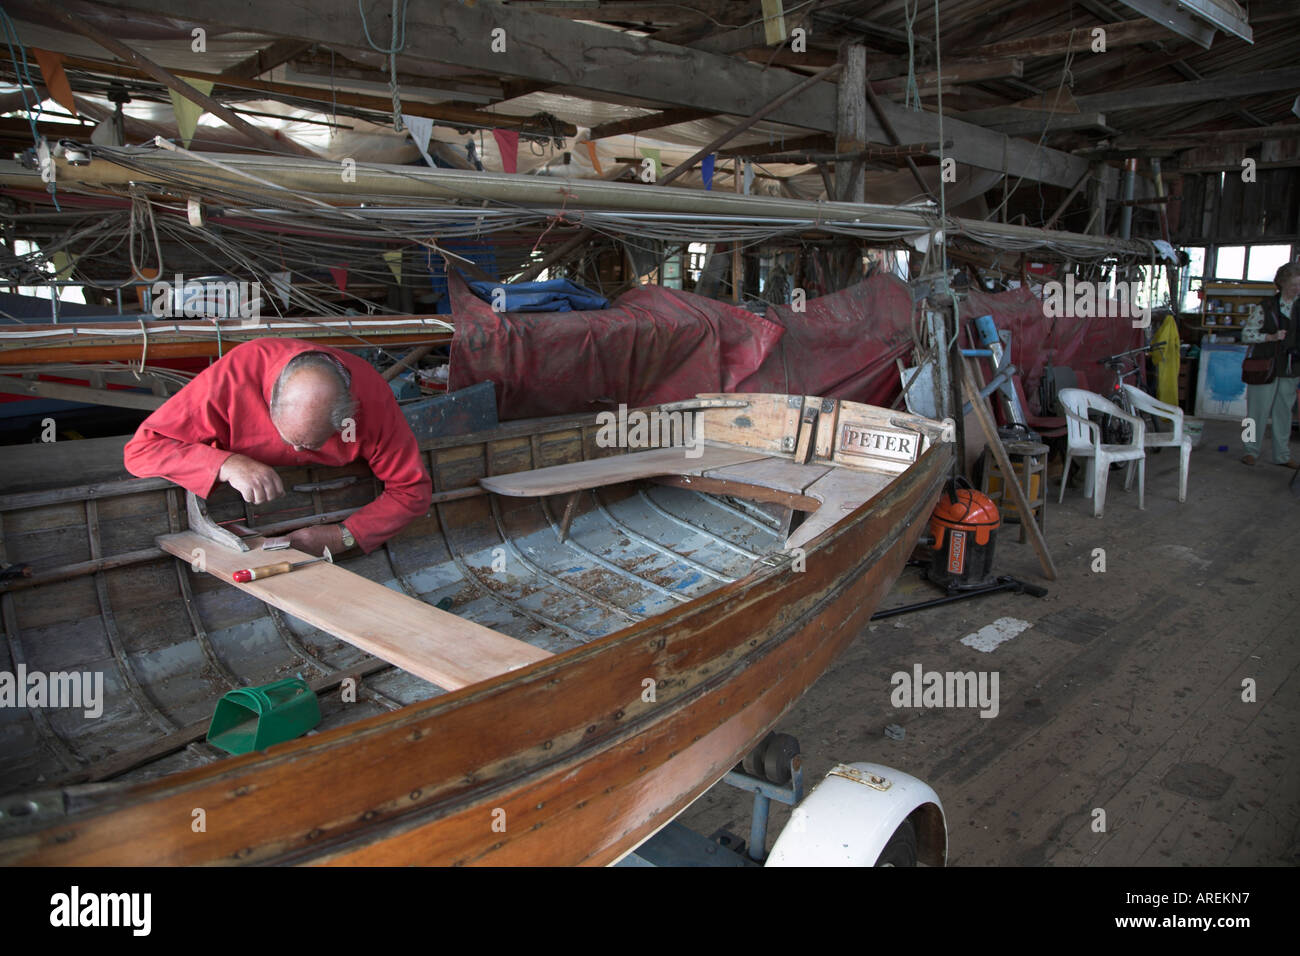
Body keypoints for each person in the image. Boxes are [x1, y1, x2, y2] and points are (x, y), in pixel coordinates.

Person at [125, 339, 432, 555]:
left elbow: (412, 489)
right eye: (289, 440)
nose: (296, 454)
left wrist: (346, 536)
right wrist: (227, 464)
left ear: (346, 419)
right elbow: (141, 451)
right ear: (268, 401)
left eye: (310, 444)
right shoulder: (233, 378)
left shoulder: (372, 399)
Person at [1240, 262, 1300, 468]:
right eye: (1294, 285)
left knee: (1284, 412)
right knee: (1255, 412)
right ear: (1282, 283)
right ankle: (1249, 451)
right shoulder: (1265, 307)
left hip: (1291, 368)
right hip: (1264, 365)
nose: (1297, 290)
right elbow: (1246, 334)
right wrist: (1270, 336)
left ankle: (1282, 455)